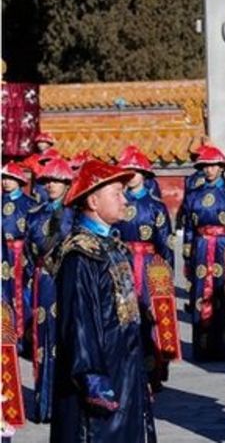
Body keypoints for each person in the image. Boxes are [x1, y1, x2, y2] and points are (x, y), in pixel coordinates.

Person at [51, 159, 156, 442]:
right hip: (100, 375)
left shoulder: (113, 247)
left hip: (126, 368)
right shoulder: (81, 255)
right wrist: (92, 377)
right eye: (117, 194)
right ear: (94, 201)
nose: (124, 200)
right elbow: (78, 321)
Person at [114, 145, 179, 390]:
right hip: (124, 264)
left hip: (150, 266)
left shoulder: (155, 205)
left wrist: (167, 272)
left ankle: (154, 371)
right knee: (125, 314)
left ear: (144, 174)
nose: (131, 176)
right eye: (126, 171)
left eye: (135, 171)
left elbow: (165, 241)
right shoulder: (118, 202)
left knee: (152, 318)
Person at [24, 157, 75, 423]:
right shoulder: (34, 215)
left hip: (68, 280)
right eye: (47, 181)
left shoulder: (76, 214)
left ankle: (66, 403)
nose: (52, 185)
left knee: (67, 339)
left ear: (68, 183)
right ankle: (44, 403)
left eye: (57, 180)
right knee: (42, 340)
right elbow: (27, 256)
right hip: (43, 282)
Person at [179, 144, 225, 361]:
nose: (209, 170)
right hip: (201, 246)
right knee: (199, 294)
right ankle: (202, 348)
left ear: (222, 167)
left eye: (213, 166)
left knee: (223, 293)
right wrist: (188, 251)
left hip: (224, 246)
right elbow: (187, 225)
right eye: (205, 166)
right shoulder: (193, 195)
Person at [2, 162, 36, 355]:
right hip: (2, 255)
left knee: (22, 295)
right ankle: (7, 334)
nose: (6, 182)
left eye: (11, 178)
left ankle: (24, 338)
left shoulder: (30, 204)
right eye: (4, 178)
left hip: (21, 255)